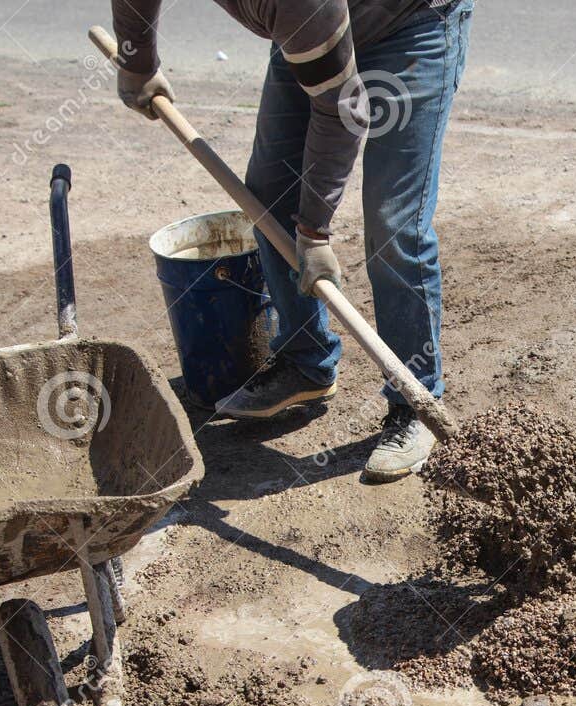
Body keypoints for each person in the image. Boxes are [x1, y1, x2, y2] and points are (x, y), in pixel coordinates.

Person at [112, 0, 473, 481]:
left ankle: (415, 398)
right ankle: (306, 362)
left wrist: (314, 233)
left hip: (410, 22)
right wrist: (138, 63)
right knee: (267, 197)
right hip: (309, 34)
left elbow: (342, 107)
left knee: (394, 224)